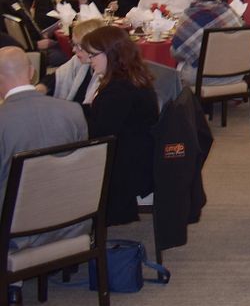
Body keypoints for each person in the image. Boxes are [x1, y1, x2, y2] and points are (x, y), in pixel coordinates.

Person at [0, 46, 88, 236]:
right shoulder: (73, 111)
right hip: (73, 223)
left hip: (16, 233)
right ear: (32, 72)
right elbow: (83, 169)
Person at [80, 25, 157, 226]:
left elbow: (99, 134)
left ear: (111, 54)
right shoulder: (131, 77)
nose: (89, 60)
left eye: (93, 55)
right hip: (136, 152)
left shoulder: (119, 90)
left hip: (125, 166)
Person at [170, 0, 244, 87]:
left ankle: (189, 103)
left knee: (179, 69)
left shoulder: (189, 16)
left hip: (203, 76)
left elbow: (176, 53)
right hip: (236, 72)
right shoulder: (229, 12)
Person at [1, 0, 66, 65]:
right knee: (65, 55)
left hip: (34, 42)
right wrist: (35, 45)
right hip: (25, 51)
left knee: (67, 47)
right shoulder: (3, 1)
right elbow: (6, 37)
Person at [39, 17, 104, 104]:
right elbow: (56, 77)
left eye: (79, 46)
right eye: (73, 44)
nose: (73, 50)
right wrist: (42, 87)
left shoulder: (104, 74)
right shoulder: (78, 62)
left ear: (94, 46)